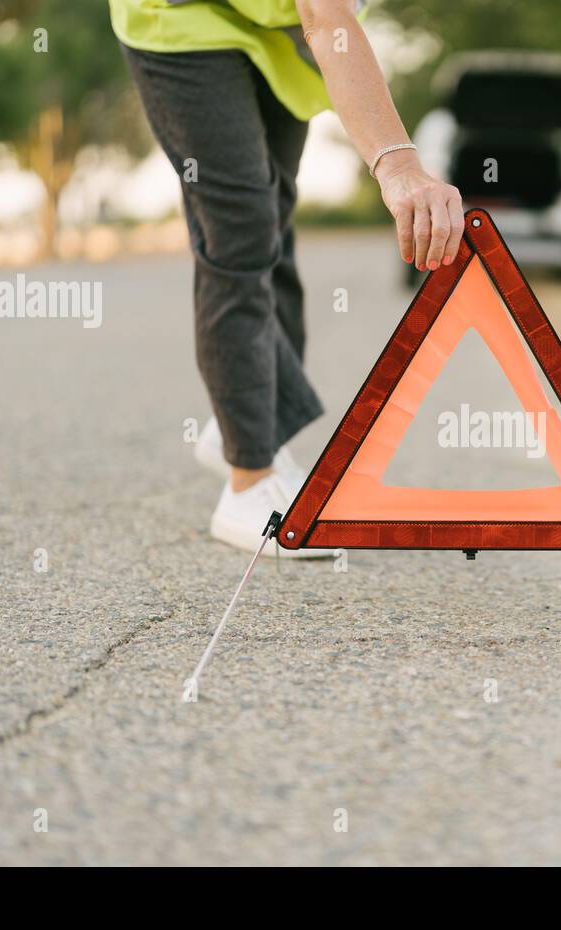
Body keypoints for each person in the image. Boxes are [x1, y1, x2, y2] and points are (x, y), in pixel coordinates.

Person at [110, 0, 464, 557]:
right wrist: (397, 165)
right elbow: (325, 15)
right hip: (182, 21)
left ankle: (247, 424)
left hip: (272, 33)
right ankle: (247, 481)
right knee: (240, 230)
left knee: (271, 219)